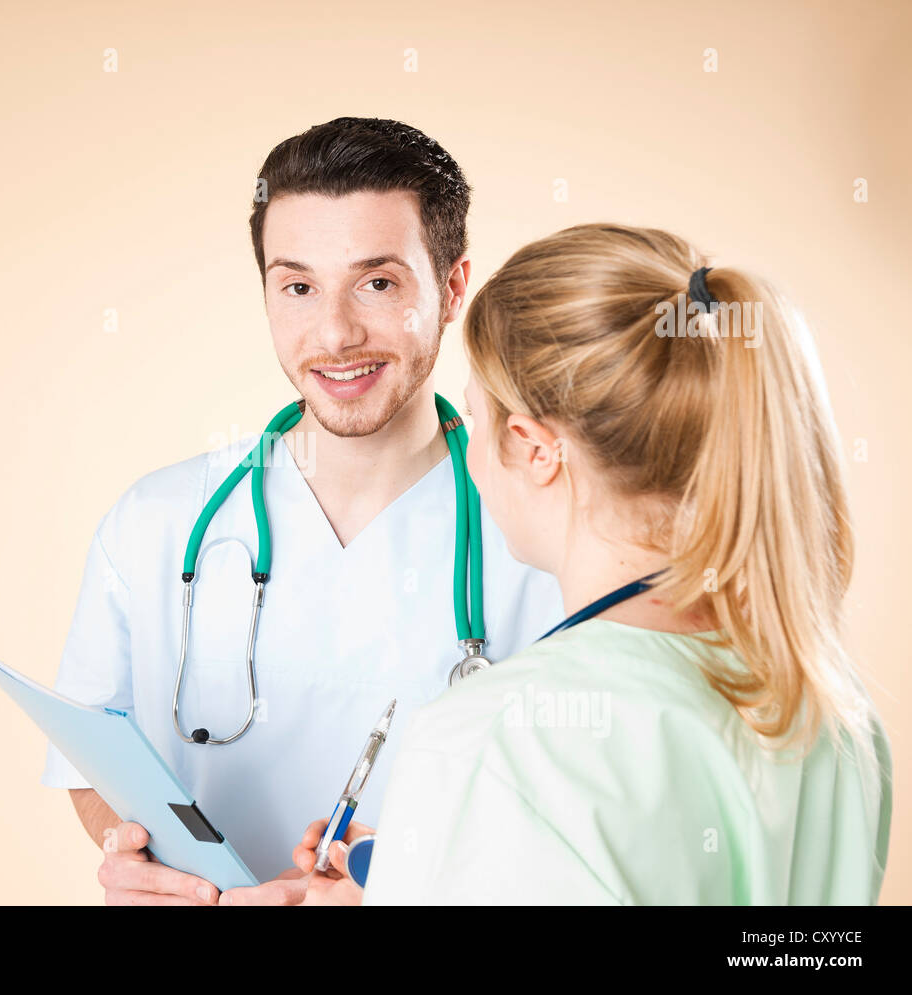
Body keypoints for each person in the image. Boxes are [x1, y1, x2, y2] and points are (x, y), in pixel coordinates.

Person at [40, 117, 563, 905]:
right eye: (297, 286)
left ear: (454, 287)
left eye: (378, 283)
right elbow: (89, 754)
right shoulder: (154, 521)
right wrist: (143, 857)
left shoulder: (548, 532)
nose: (335, 333)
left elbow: (593, 821)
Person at [294, 222, 893, 905]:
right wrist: (427, 865)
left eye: (474, 422)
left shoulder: (490, 739)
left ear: (532, 446)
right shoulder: (828, 702)